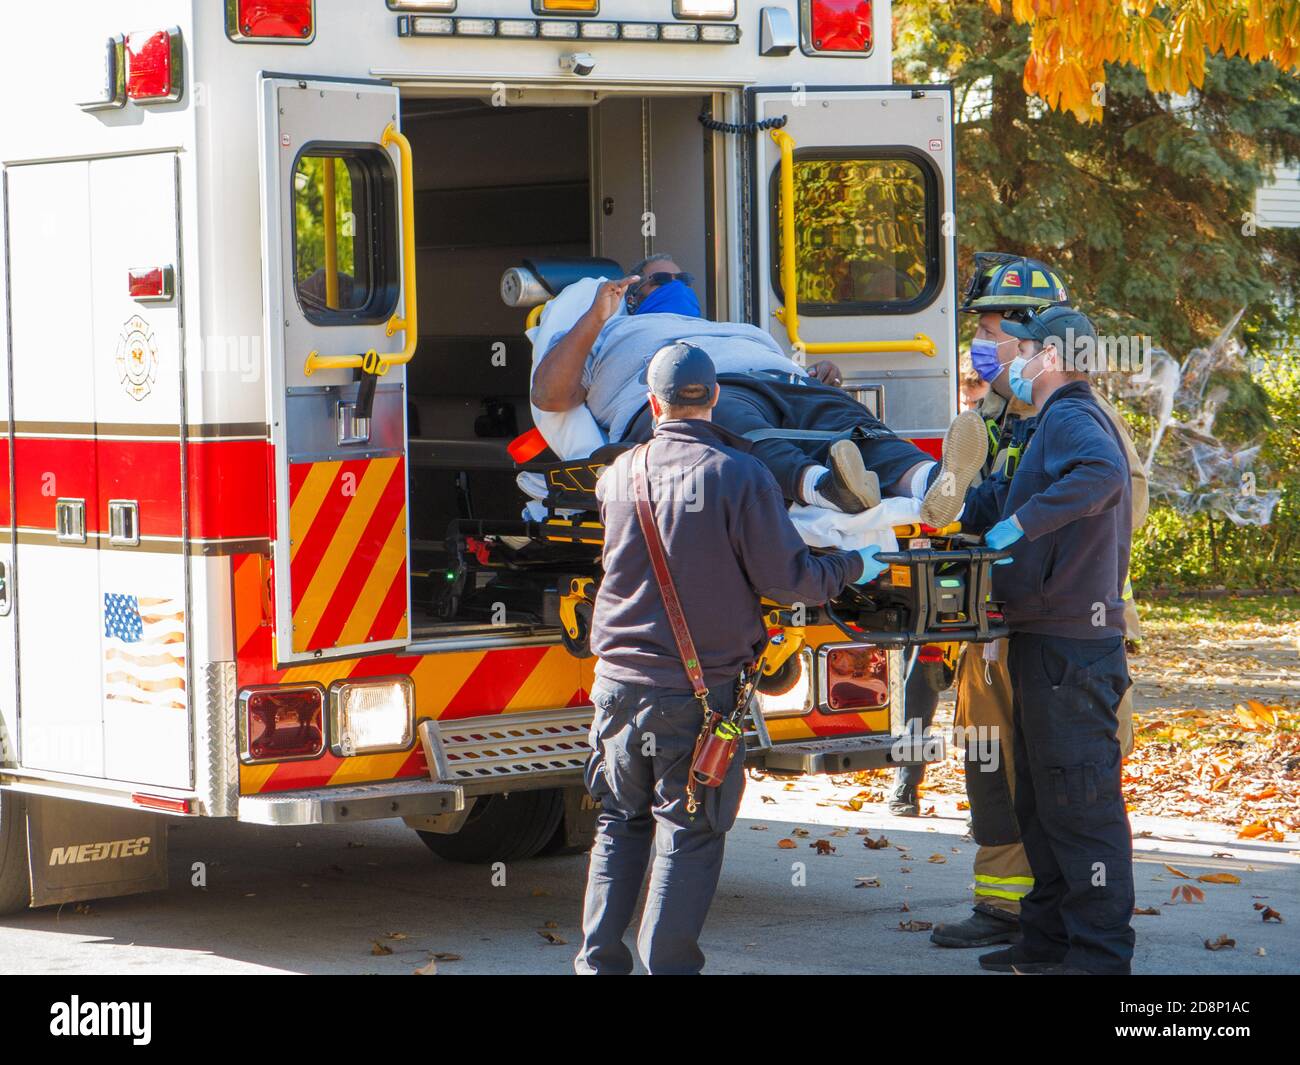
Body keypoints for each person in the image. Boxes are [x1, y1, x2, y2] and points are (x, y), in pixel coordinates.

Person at [575, 343, 886, 975]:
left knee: (618, 824)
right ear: (715, 398)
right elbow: (789, 578)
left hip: (614, 685)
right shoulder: (740, 474)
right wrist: (855, 564)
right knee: (687, 833)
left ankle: (598, 965)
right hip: (696, 694)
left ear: (652, 404)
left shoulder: (617, 474)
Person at [931, 256, 1149, 951]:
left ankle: (1093, 950)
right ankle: (1034, 928)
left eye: (996, 329)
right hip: (1016, 627)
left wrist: (1020, 532)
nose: (985, 343)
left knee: (1076, 794)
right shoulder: (1008, 415)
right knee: (1017, 781)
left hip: (1071, 631)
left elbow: (1108, 490)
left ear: (1040, 344)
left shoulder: (1077, 414)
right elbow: (999, 497)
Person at [533, 253, 987, 528]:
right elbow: (551, 397)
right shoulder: (610, 332)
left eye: (683, 279)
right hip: (703, 392)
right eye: (661, 279)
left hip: (781, 383)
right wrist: (596, 317)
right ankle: (826, 488)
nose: (678, 286)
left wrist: (814, 376)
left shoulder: (732, 327)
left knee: (850, 423)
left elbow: (783, 373)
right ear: (632, 293)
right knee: (738, 426)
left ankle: (930, 481)